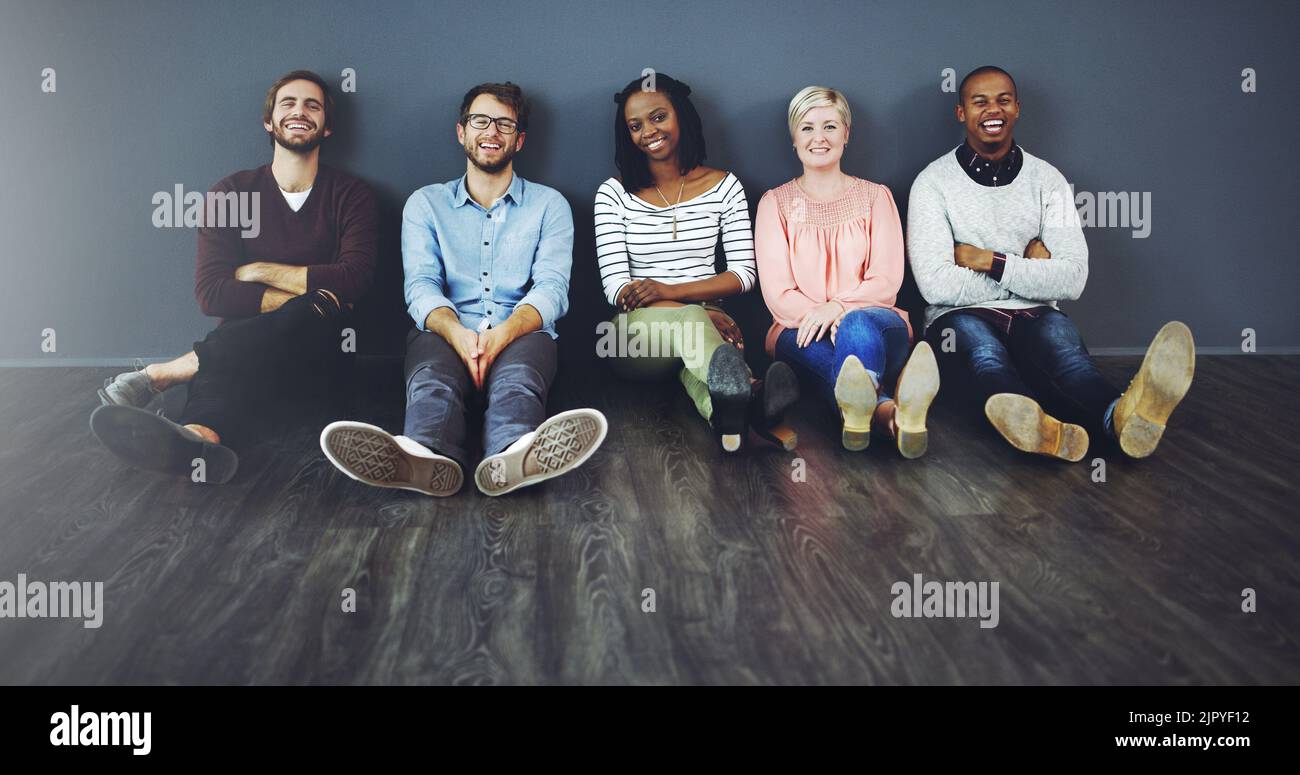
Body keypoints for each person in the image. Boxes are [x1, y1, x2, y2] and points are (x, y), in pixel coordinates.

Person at [320, 82, 606, 497]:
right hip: (442, 329)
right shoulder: (425, 204)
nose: (492, 132)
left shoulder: (550, 205)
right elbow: (420, 286)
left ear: (519, 140)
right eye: (481, 121)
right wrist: (458, 334)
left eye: (505, 124)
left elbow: (552, 288)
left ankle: (514, 455)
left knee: (518, 380)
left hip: (522, 330)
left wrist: (502, 335)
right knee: (432, 381)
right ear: (462, 131)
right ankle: (422, 457)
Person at [92, 70, 378, 483]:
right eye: (288, 103)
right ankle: (195, 442)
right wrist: (317, 292)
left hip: (320, 357)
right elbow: (211, 295)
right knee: (234, 361)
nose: (300, 111)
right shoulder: (231, 193)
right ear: (269, 122)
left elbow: (354, 280)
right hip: (240, 351)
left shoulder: (351, 196)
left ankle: (160, 375)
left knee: (301, 319)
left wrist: (259, 271)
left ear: (327, 126)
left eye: (312, 105)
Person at [907, 66, 1194, 461]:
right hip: (958, 317)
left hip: (1036, 314)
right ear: (961, 113)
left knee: (1073, 365)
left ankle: (1123, 418)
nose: (994, 109)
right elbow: (936, 285)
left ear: (1018, 108)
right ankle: (1039, 427)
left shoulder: (1049, 181)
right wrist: (1028, 270)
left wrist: (986, 260)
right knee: (985, 358)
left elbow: (1073, 278)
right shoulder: (932, 183)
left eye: (1003, 100)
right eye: (980, 101)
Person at [595, 73, 798, 452]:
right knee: (694, 326)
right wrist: (694, 311)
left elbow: (743, 274)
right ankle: (756, 390)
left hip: (708, 324)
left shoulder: (725, 186)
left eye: (658, 117)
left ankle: (731, 419)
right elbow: (617, 290)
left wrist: (672, 291)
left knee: (701, 369)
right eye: (635, 126)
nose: (648, 131)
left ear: (681, 117)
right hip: (633, 337)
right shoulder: (613, 194)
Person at [756, 86, 939, 456]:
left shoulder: (876, 197)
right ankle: (888, 414)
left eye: (829, 126)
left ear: (846, 134)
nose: (818, 138)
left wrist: (838, 309)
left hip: (877, 322)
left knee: (857, 325)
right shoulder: (775, 204)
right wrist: (820, 316)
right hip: (798, 330)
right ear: (794, 138)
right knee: (841, 362)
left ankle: (863, 409)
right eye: (807, 128)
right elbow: (778, 293)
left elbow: (887, 280)